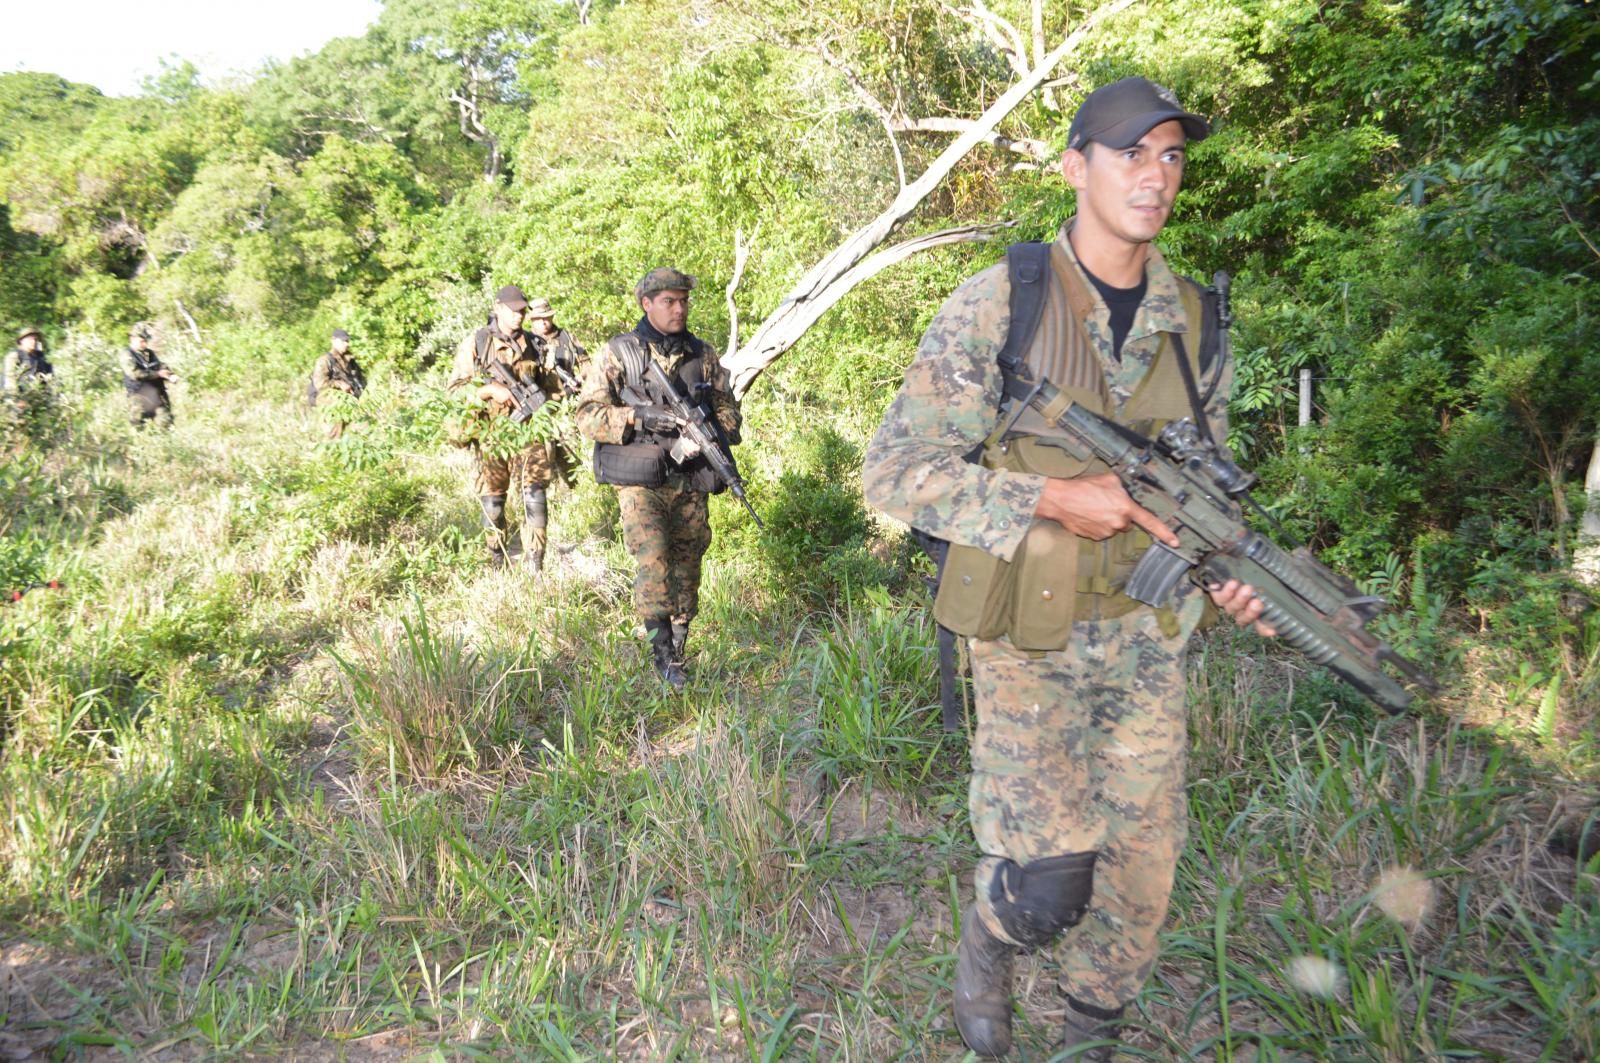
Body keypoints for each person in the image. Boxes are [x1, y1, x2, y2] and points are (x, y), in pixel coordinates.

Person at [862, 77, 1275, 1059]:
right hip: (1026, 633)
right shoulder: (1003, 302)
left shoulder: (1198, 319)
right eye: (1131, 152)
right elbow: (895, 471)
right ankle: (991, 934)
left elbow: (1201, 486)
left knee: (1141, 871)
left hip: (1146, 636)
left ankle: (1090, 1031)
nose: (1155, 174)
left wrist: (1229, 571)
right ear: (1074, 167)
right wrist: (1049, 498)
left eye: (1171, 155)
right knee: (1051, 880)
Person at [575, 267, 742, 689]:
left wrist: (707, 430)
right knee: (653, 558)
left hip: (689, 477)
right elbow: (587, 416)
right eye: (669, 301)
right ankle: (662, 655)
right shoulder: (620, 353)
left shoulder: (702, 355)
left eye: (683, 300)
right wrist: (638, 417)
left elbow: (729, 410)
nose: (679, 308)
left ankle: (680, 645)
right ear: (646, 304)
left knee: (688, 562)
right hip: (640, 478)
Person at [448, 285, 583, 572]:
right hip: (492, 434)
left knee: (535, 495)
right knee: (493, 502)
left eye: (523, 311)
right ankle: (498, 557)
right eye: (513, 311)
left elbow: (553, 390)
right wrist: (488, 391)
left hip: (530, 434)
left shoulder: (535, 344)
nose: (519, 316)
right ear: (498, 308)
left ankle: (536, 562)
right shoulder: (477, 343)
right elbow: (455, 393)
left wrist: (548, 401)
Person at [311, 328, 366, 439]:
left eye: (347, 341)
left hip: (350, 403)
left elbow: (361, 380)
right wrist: (339, 384)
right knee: (333, 436)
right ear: (333, 341)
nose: (346, 344)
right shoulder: (325, 360)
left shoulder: (351, 360)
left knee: (359, 432)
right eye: (343, 341)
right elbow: (320, 383)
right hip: (331, 405)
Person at [4, 327, 56, 437]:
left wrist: (50, 400)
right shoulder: (14, 356)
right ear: (21, 341)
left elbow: (50, 379)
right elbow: (10, 378)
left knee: (39, 432)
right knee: (17, 431)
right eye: (30, 339)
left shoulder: (41, 358)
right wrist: (17, 399)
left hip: (38, 401)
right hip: (19, 400)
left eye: (35, 339)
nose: (33, 341)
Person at [120, 324, 174, 429]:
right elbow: (135, 374)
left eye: (146, 341)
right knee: (139, 428)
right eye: (141, 341)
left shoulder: (149, 353)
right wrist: (157, 374)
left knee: (165, 424)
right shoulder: (127, 355)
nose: (144, 344)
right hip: (138, 396)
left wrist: (169, 374)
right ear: (132, 339)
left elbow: (159, 365)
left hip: (156, 394)